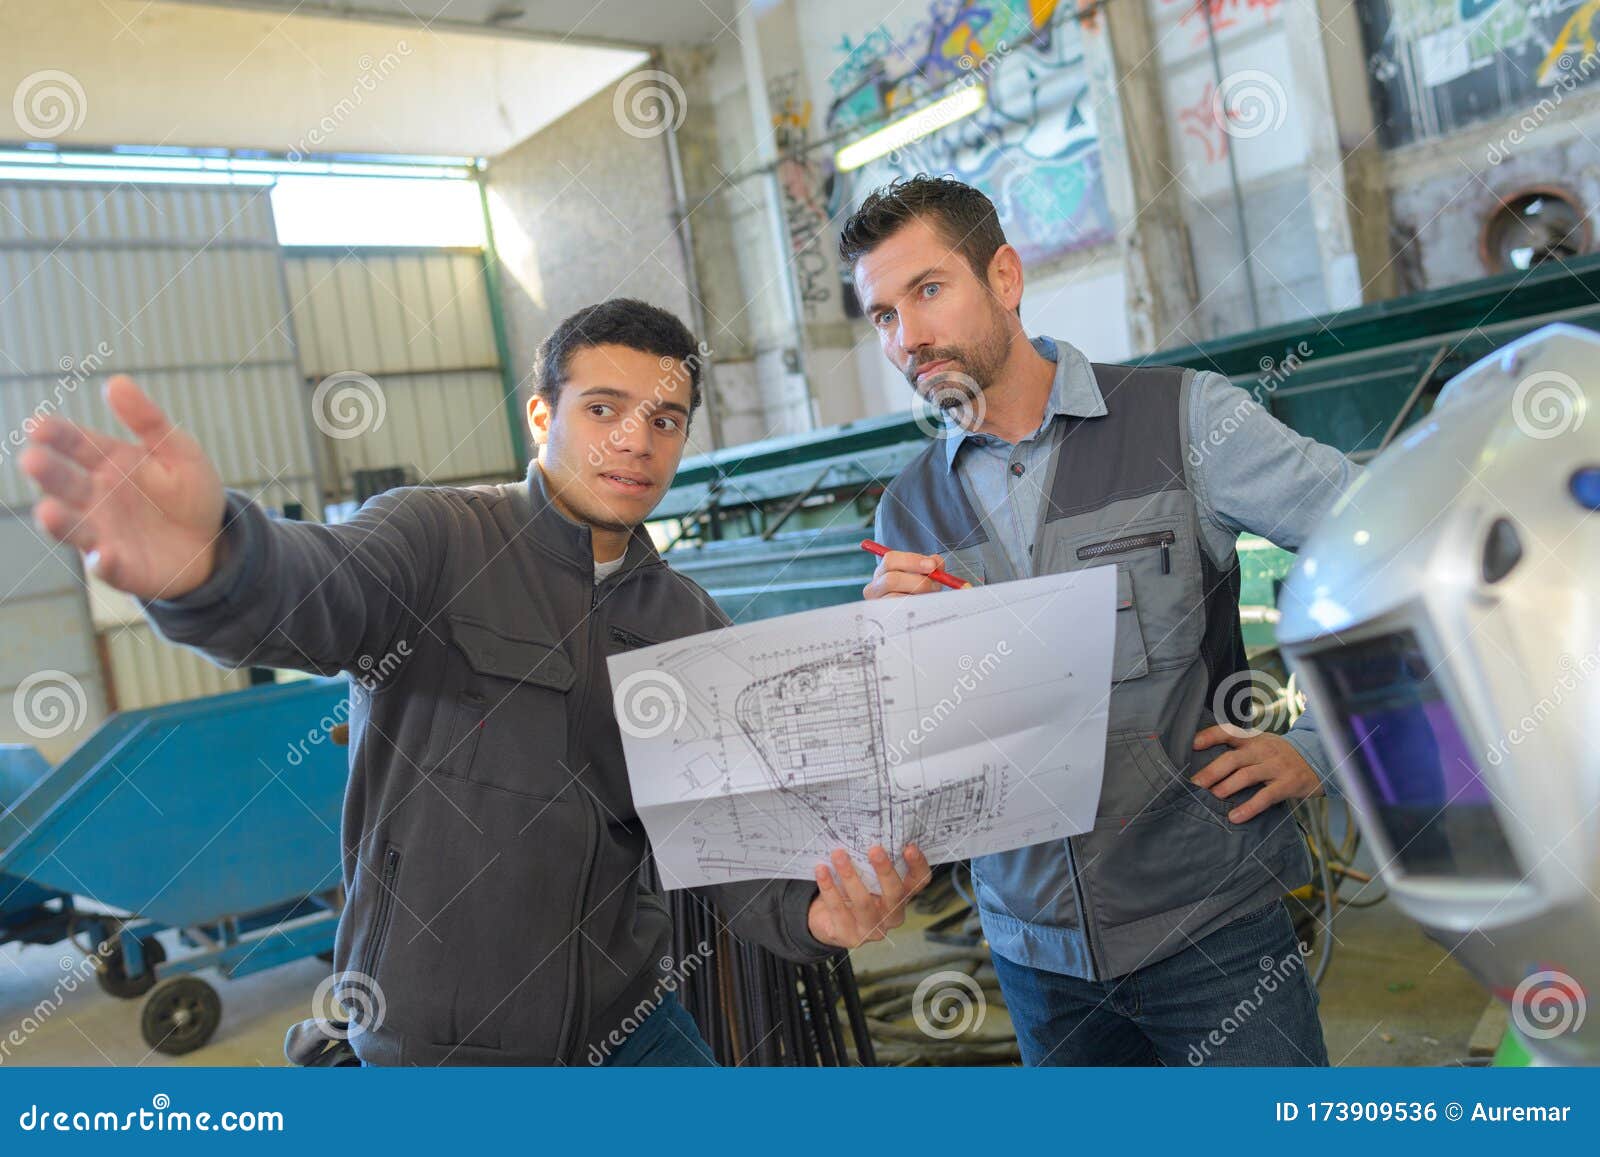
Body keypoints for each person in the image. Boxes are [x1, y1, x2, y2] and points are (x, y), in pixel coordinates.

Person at [21, 298, 931, 1066]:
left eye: (664, 419)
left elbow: (725, 839)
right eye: (604, 409)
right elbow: (315, 591)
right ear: (542, 417)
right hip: (439, 1038)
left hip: (631, 1024)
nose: (635, 442)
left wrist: (818, 914)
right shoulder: (437, 541)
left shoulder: (685, 622)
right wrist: (215, 560)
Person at [847, 175, 1355, 1066]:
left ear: (1003, 277)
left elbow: (1399, 540)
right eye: (883, 314)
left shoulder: (1185, 420)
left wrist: (1327, 747)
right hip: (1034, 957)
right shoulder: (907, 512)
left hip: (1213, 936)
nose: (909, 336)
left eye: (928, 290)